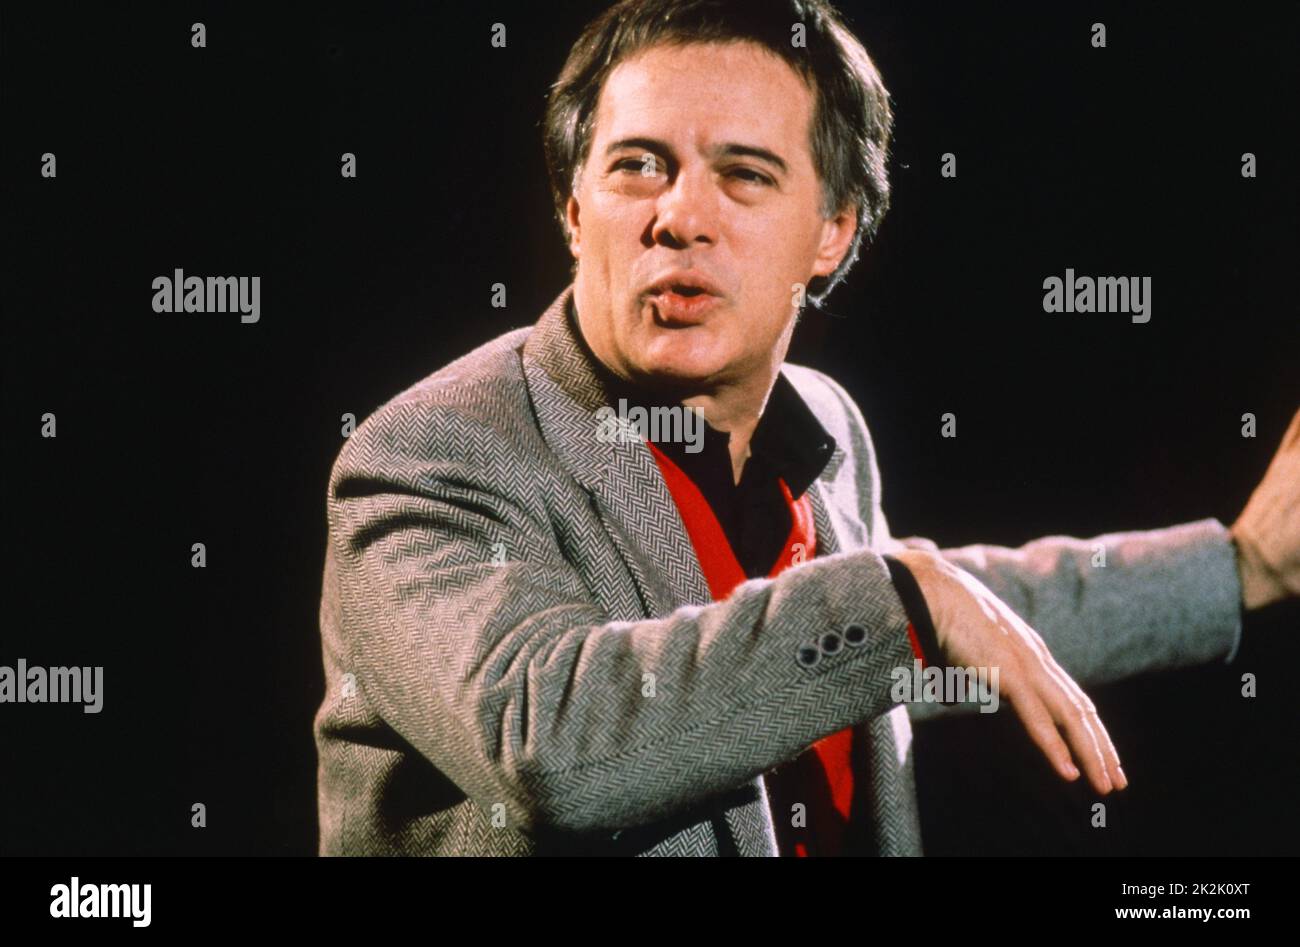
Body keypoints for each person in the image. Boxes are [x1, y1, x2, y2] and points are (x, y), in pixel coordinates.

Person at [313, 0, 1299, 856]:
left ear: (831, 231)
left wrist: (1243, 562)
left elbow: (953, 615)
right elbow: (552, 743)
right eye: (638, 167)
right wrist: (897, 594)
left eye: (743, 174)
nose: (680, 215)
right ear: (575, 208)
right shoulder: (428, 454)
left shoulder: (824, 422)